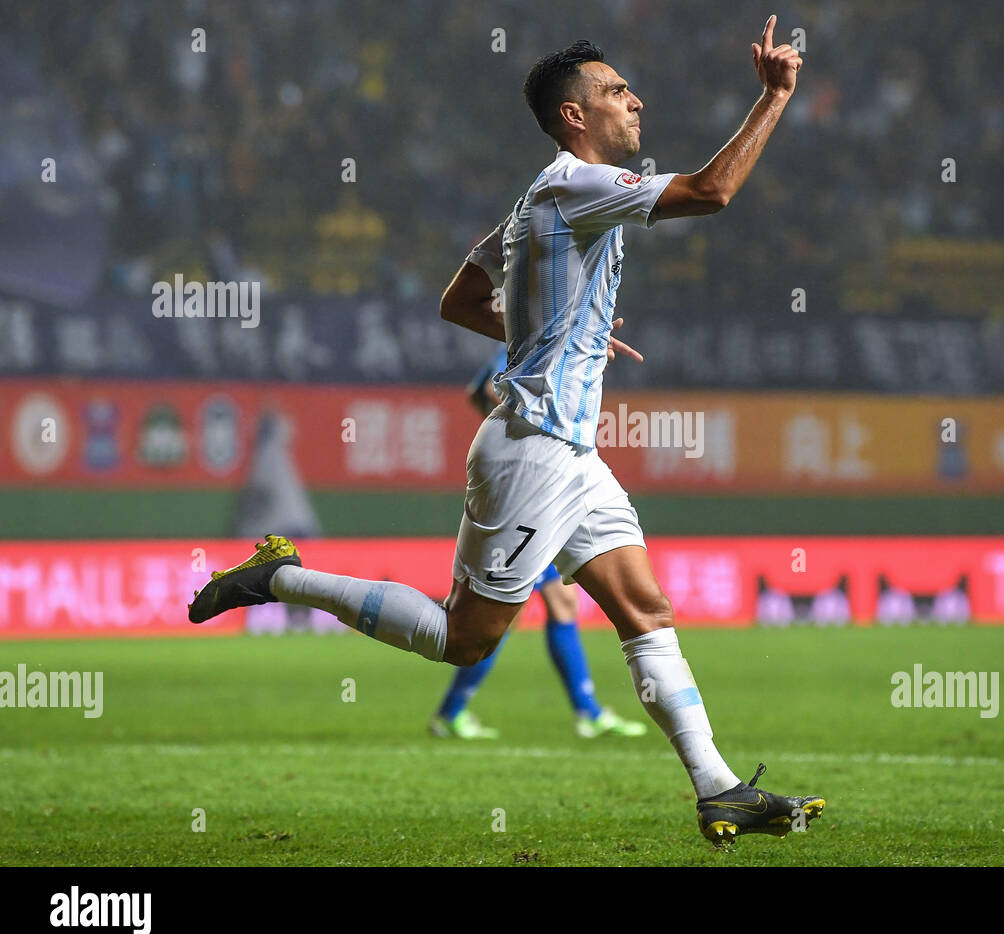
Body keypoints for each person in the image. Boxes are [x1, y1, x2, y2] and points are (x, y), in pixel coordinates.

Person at [190, 16, 823, 847]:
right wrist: (774, 96)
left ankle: (718, 788)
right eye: (615, 91)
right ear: (574, 115)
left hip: (571, 455)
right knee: (463, 639)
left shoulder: (539, 200)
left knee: (645, 607)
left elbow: (458, 298)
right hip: (529, 449)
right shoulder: (576, 186)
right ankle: (279, 578)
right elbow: (713, 191)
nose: (635, 101)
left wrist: (567, 333)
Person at [430, 346, 646, 740]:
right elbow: (495, 390)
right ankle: (452, 712)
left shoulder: (529, 337)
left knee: (554, 603)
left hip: (535, 487)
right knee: (500, 615)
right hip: (530, 488)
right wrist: (523, 423)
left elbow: (477, 390)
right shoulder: (541, 340)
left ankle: (587, 711)